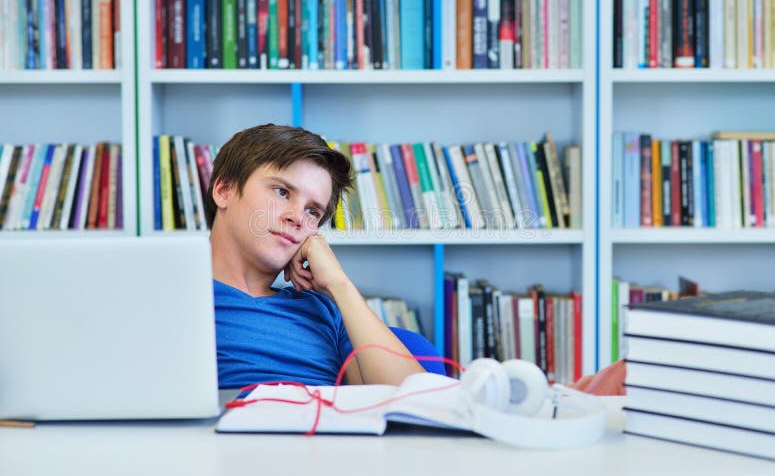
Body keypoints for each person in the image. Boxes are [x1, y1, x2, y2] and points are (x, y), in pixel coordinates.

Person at [206, 123, 625, 394]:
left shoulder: (324, 309)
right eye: (282, 191)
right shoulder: (172, 299)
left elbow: (412, 401)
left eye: (314, 210)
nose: (299, 216)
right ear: (223, 189)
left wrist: (339, 285)